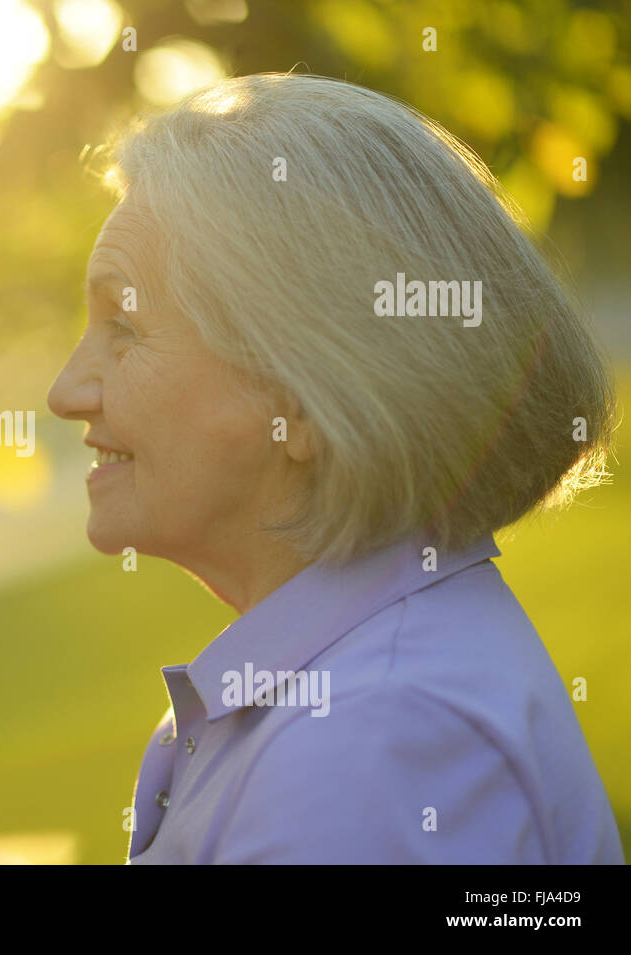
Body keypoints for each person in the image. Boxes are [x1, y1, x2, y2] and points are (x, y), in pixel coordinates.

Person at [47, 73, 622, 863]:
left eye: (124, 327)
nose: (64, 390)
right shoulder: (353, 694)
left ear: (306, 397)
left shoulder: (368, 740)